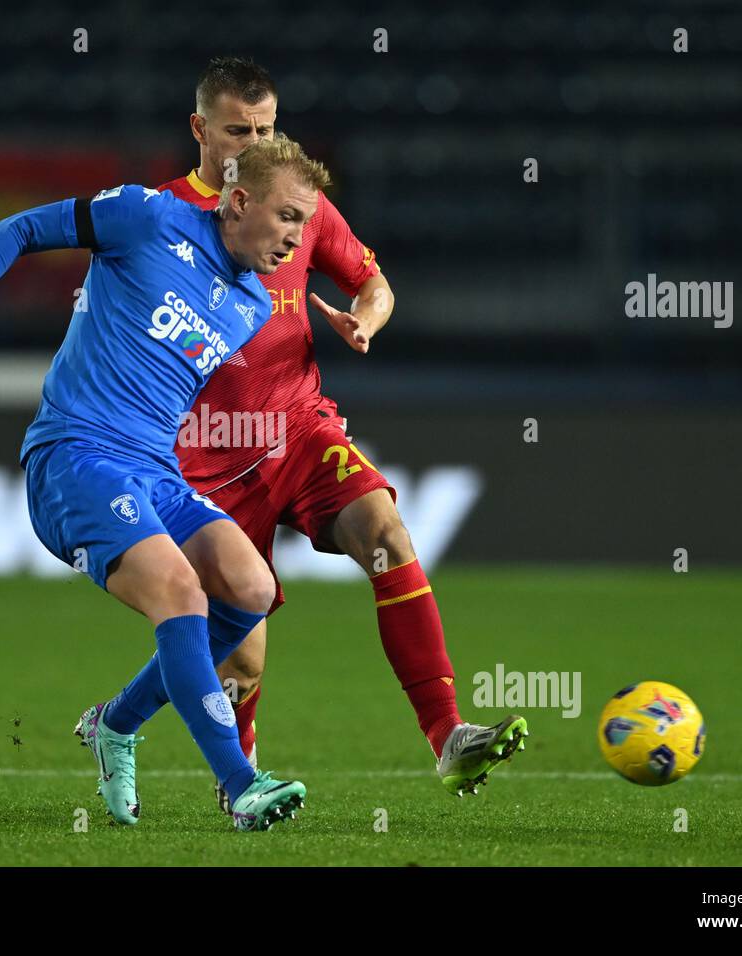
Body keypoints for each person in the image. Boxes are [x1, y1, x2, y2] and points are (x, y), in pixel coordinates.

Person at [0, 136, 331, 831]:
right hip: (74, 456)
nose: (295, 238)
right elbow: (19, 229)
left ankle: (115, 723)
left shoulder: (250, 304)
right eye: (286, 217)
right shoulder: (146, 216)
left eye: (304, 225)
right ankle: (242, 785)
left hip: (155, 470)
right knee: (181, 595)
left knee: (252, 591)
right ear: (239, 199)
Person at [159, 57, 528, 808]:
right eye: (238, 132)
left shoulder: (299, 202)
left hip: (297, 429)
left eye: (266, 129)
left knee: (387, 534)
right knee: (242, 662)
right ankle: (242, 779)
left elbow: (375, 281)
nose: (255, 145)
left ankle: (449, 736)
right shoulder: (161, 215)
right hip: (203, 458)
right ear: (201, 130)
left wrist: (366, 317)